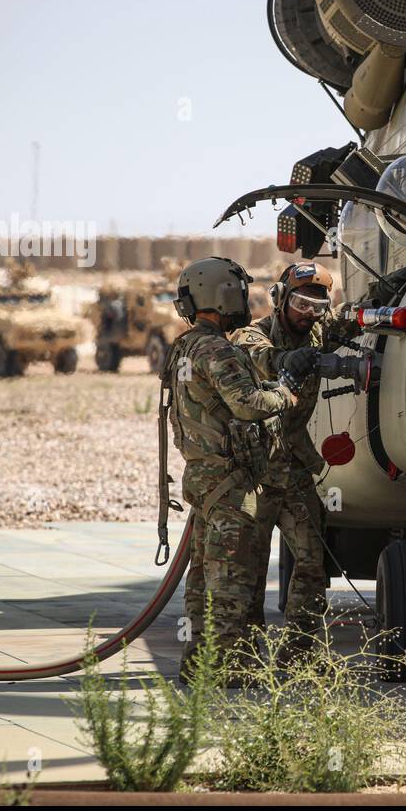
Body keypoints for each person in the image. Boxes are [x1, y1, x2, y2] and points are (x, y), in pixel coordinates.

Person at [160, 256, 297, 680]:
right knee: (232, 579)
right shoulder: (216, 348)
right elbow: (248, 404)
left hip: (204, 477)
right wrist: (285, 394)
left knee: (203, 576)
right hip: (230, 482)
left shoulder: (184, 347)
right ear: (224, 296)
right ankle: (226, 668)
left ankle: (198, 664)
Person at [233, 263, 363, 660]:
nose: (308, 314)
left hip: (293, 466)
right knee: (250, 566)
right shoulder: (252, 335)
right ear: (280, 300)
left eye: (317, 307)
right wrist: (289, 361)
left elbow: (358, 313)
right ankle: (245, 654)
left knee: (311, 559)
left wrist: (396, 283)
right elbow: (261, 358)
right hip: (254, 470)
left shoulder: (320, 331)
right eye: (301, 304)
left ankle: (300, 651)